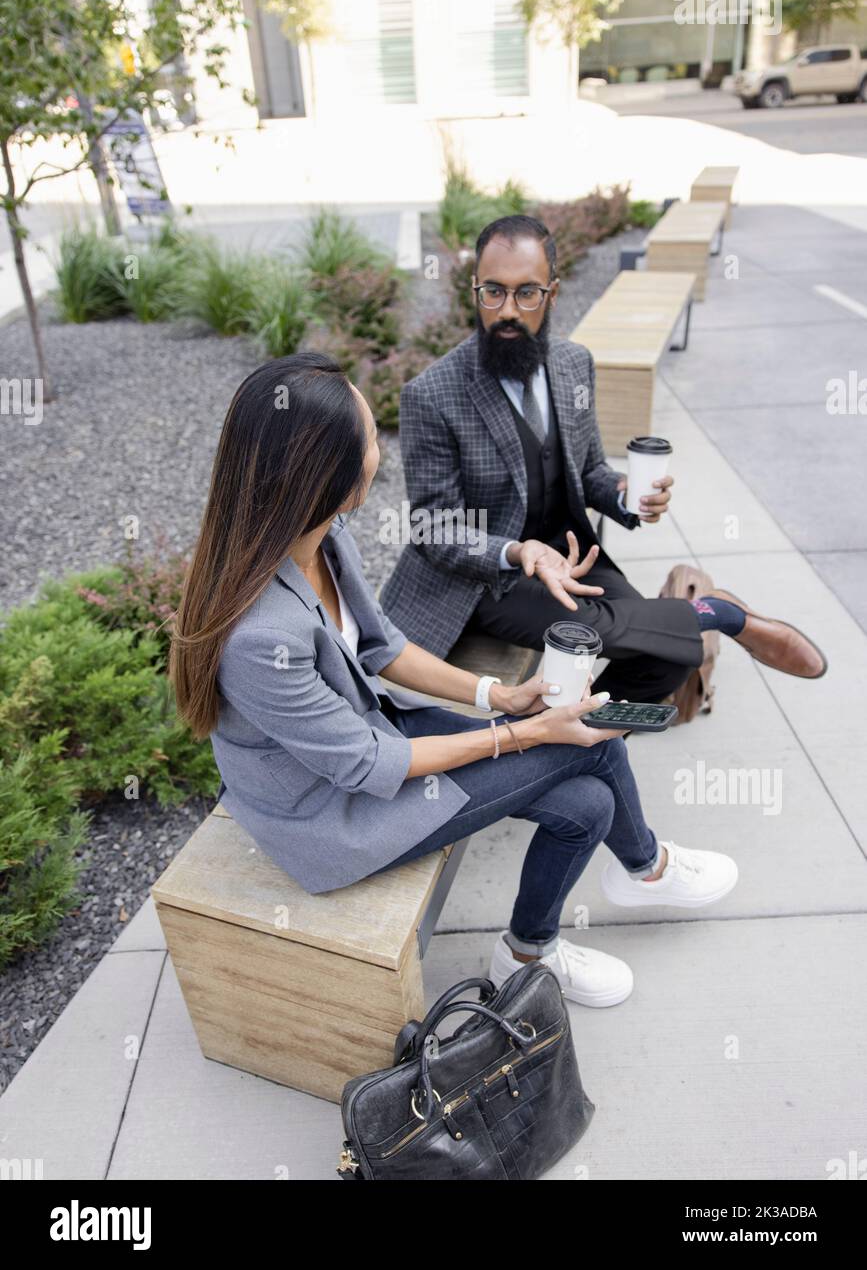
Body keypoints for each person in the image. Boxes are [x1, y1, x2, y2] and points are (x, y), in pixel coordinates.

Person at [170, 353, 739, 1009]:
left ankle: (532, 946)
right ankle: (642, 871)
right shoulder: (261, 636)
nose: (381, 449)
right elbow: (362, 765)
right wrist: (520, 735)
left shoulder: (321, 537)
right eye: (370, 436)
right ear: (327, 473)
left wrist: (498, 698)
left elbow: (382, 646)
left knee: (586, 803)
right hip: (331, 814)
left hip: (371, 738)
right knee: (595, 742)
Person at [380, 214, 827, 703]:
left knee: (672, 659)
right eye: (494, 291)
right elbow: (433, 527)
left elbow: (589, 469)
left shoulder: (574, 364)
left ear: (551, 293)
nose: (508, 309)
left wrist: (627, 496)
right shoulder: (432, 394)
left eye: (526, 292)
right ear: (475, 291)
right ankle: (719, 614)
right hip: (487, 582)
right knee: (608, 630)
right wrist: (516, 551)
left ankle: (566, 746)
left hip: (572, 559)